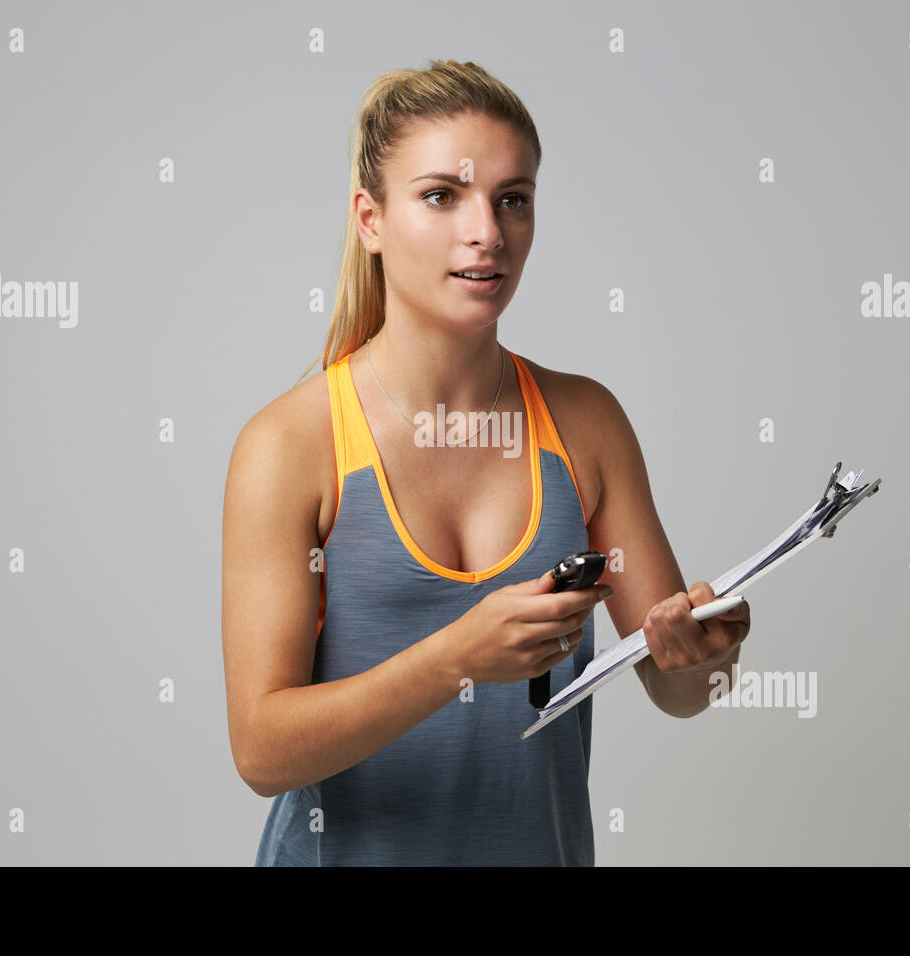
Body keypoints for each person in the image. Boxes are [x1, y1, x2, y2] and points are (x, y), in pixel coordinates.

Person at [221, 59, 752, 866]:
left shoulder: (585, 423)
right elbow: (262, 752)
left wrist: (707, 657)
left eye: (513, 199)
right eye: (442, 196)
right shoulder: (289, 446)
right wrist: (456, 659)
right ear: (371, 219)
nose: (488, 232)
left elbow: (676, 691)